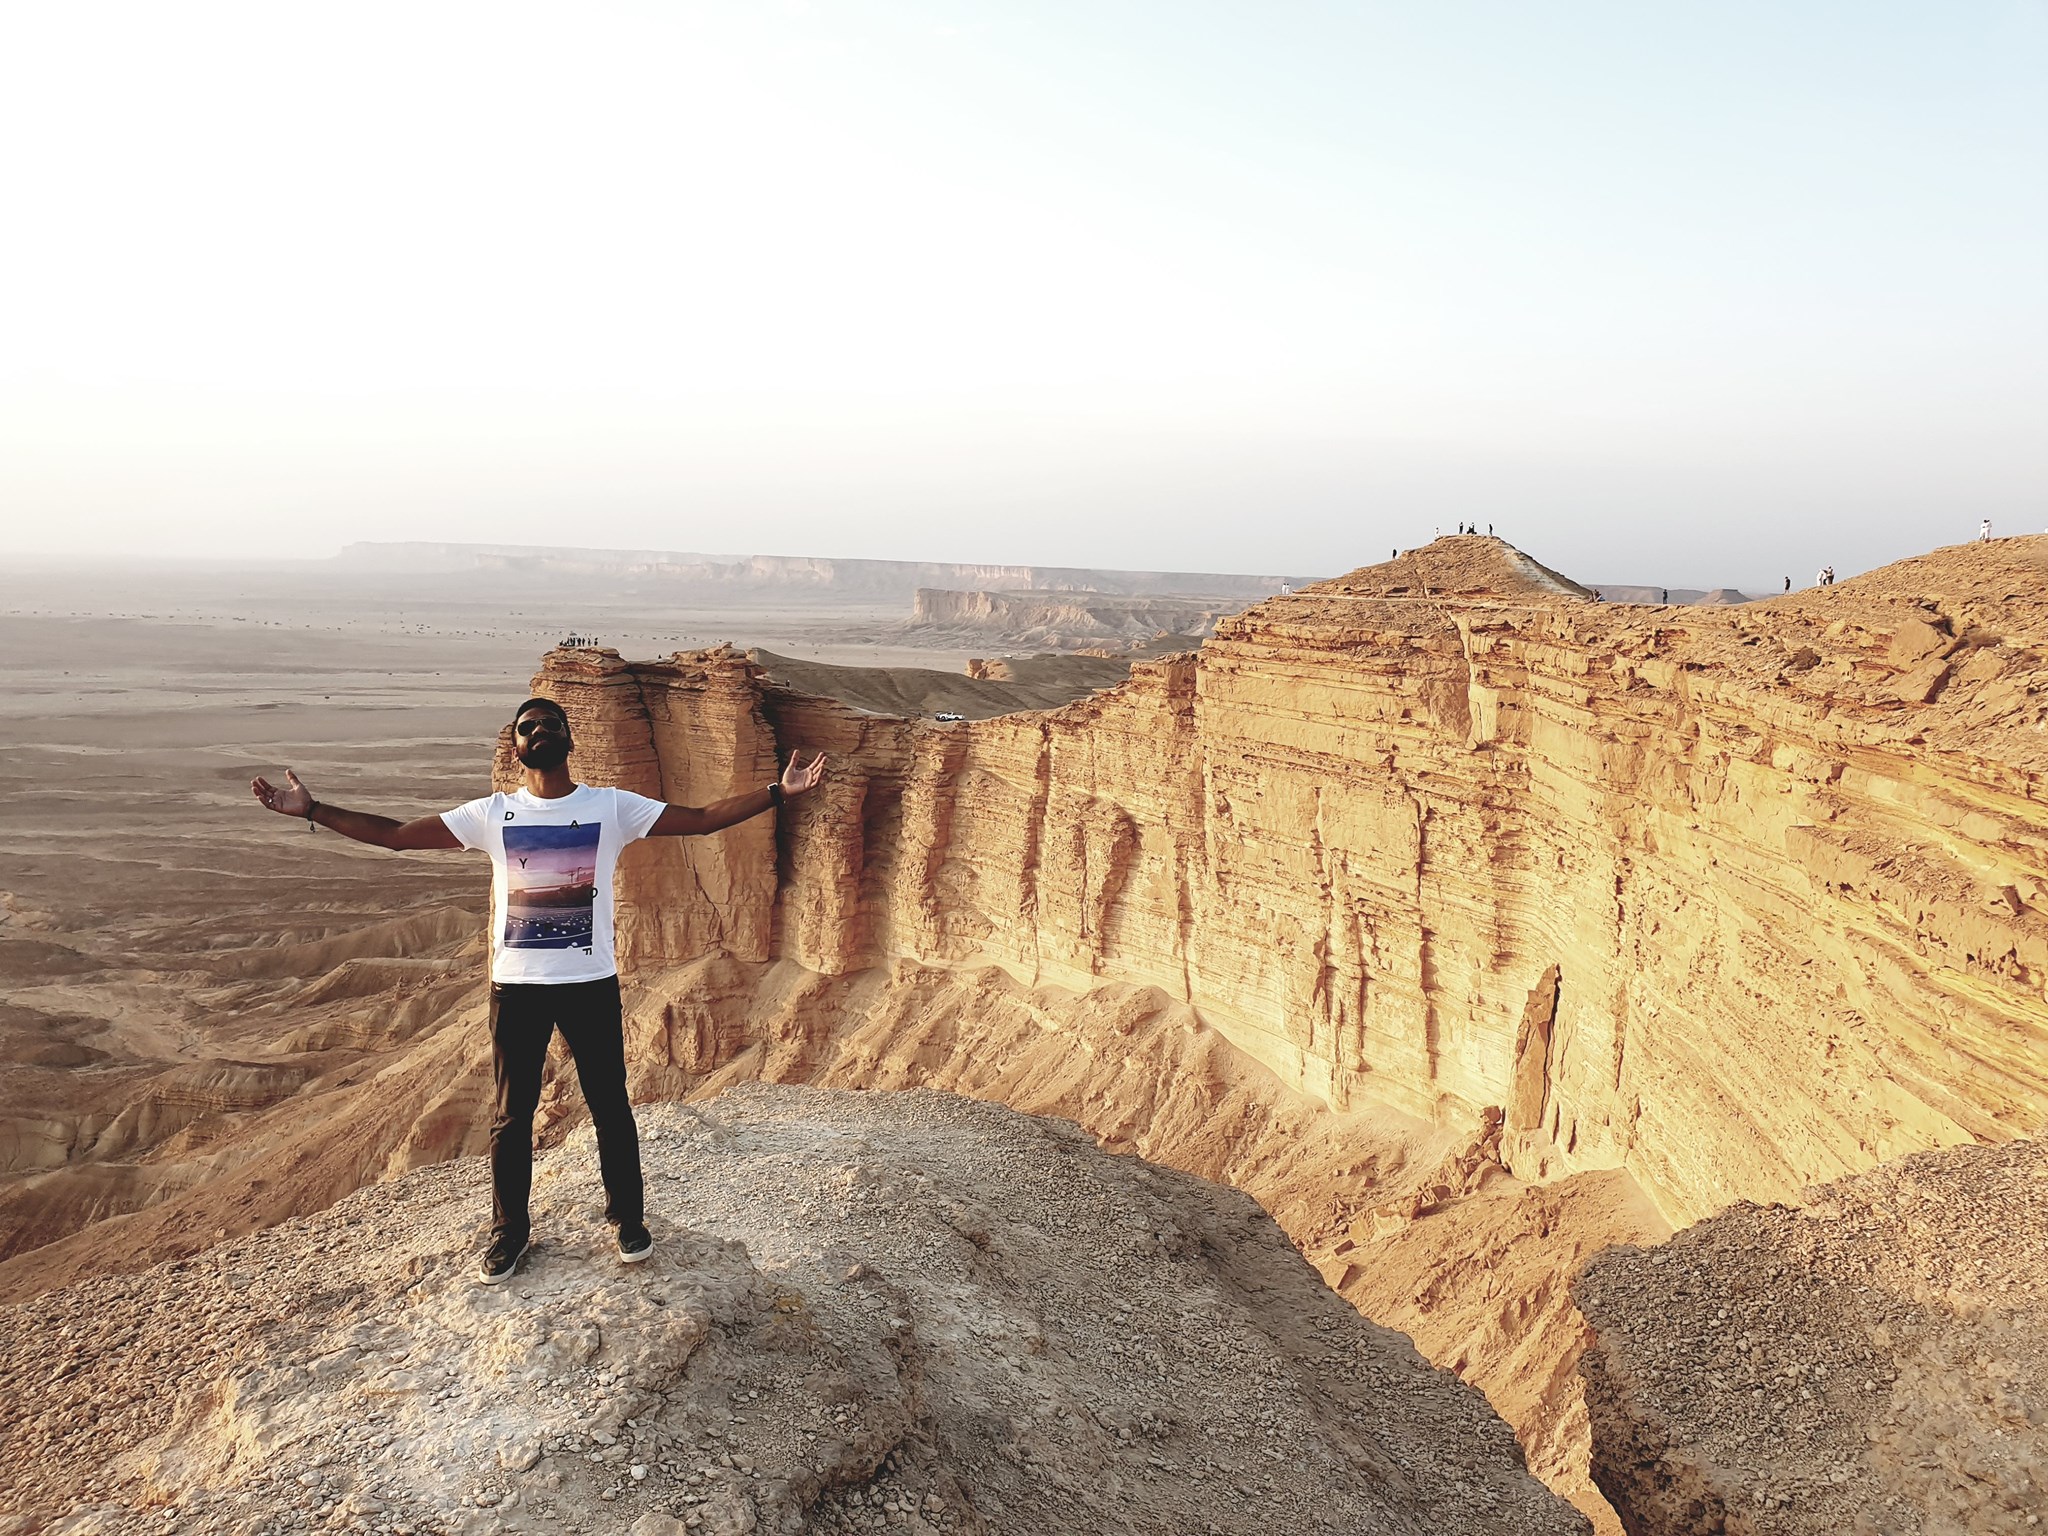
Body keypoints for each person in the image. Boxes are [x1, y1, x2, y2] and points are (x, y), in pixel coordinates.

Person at [251, 696, 827, 1284]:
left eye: (551, 724)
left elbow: (703, 819)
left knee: (610, 1106)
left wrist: (778, 793)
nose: (540, 731)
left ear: (568, 740)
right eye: (528, 727)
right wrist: (312, 809)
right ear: (517, 748)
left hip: (589, 984)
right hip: (516, 989)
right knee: (511, 1115)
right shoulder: (492, 814)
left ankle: (628, 1219)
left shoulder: (611, 808)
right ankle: (510, 1232)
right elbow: (398, 836)